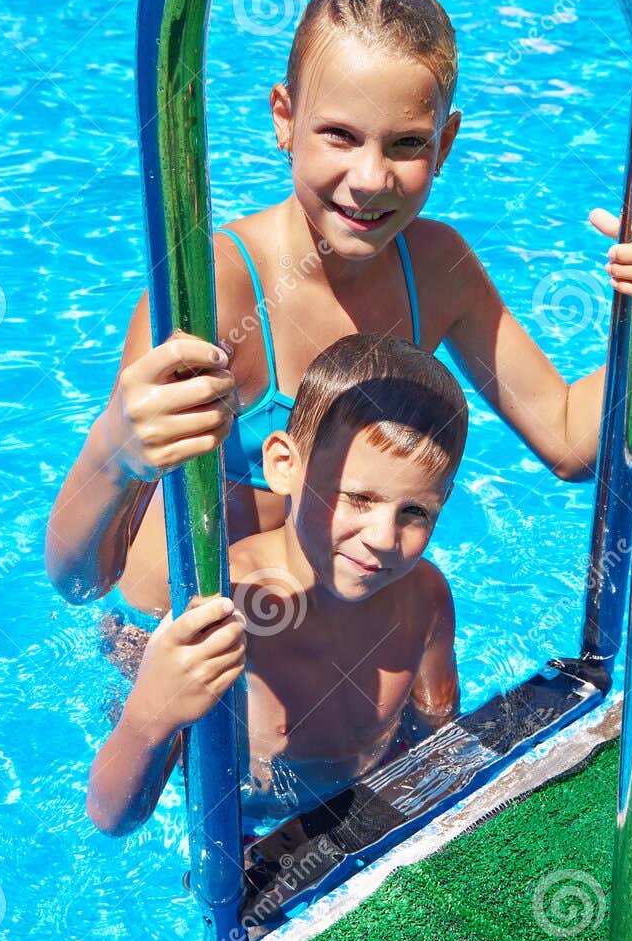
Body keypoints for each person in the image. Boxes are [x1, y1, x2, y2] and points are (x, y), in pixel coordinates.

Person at [45, 0, 632, 638]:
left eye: (406, 144)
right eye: (339, 134)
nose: (370, 179)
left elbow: (569, 442)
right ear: (285, 118)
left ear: (444, 145)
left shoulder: (436, 269)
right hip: (172, 650)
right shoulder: (215, 293)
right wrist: (115, 449)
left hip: (326, 657)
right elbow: (82, 579)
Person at [86, 333, 466, 837]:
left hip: (356, 810)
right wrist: (151, 713)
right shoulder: (222, 613)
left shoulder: (425, 601)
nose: (382, 539)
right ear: (283, 464)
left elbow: (437, 735)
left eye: (414, 512)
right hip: (252, 828)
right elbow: (112, 817)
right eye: (357, 498)